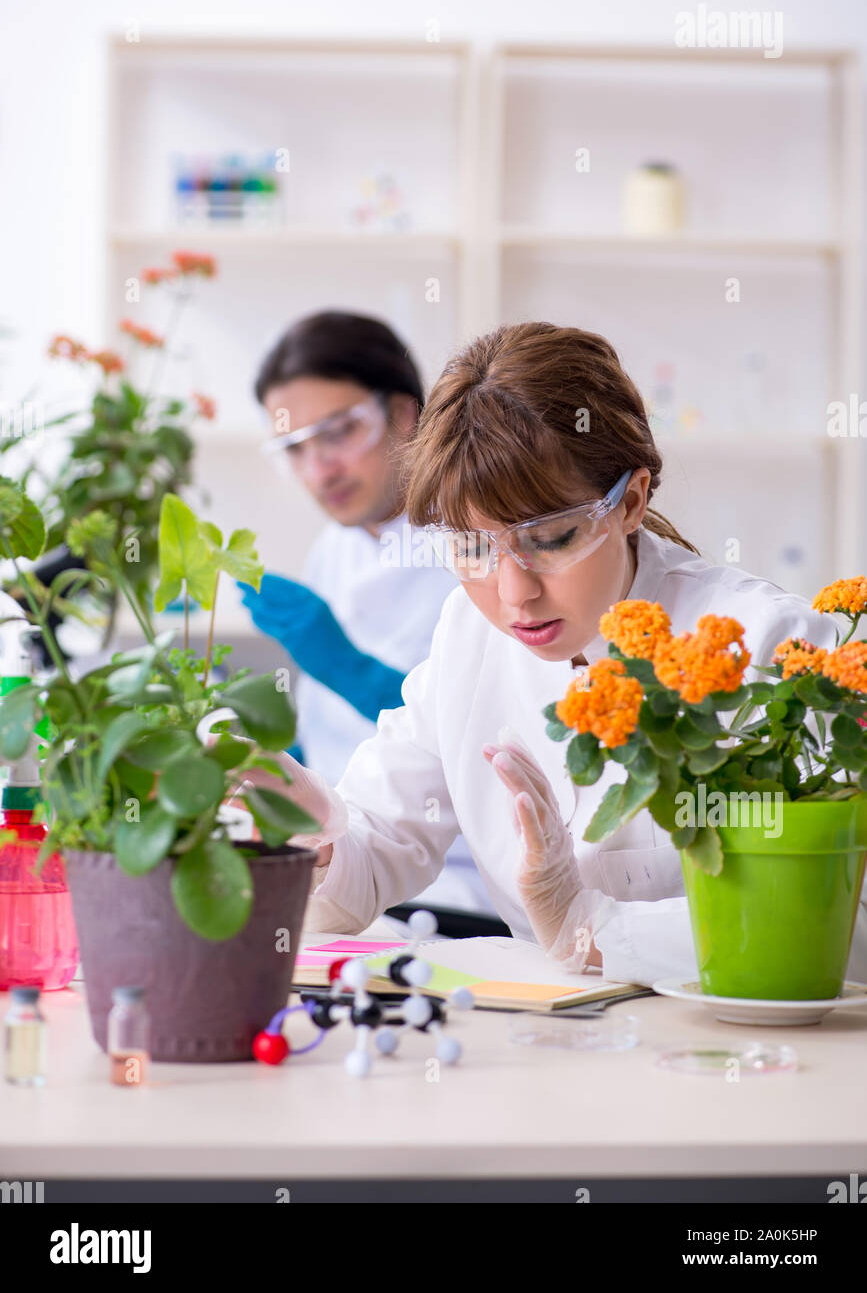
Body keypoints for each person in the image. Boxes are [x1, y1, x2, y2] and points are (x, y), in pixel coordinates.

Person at [244, 321, 867, 986]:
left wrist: (588, 927)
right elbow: (373, 852)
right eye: (472, 549)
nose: (514, 594)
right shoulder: (468, 634)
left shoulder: (769, 646)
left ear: (629, 501)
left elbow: (843, 928)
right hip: (556, 1053)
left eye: (552, 538)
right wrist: (308, 822)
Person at [242, 309, 498, 920]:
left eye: (338, 433)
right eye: (295, 449)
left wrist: (350, 669)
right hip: (334, 864)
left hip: (451, 890)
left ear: (405, 414)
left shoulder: (478, 538)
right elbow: (331, 742)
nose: (319, 470)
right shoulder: (335, 544)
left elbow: (486, 736)